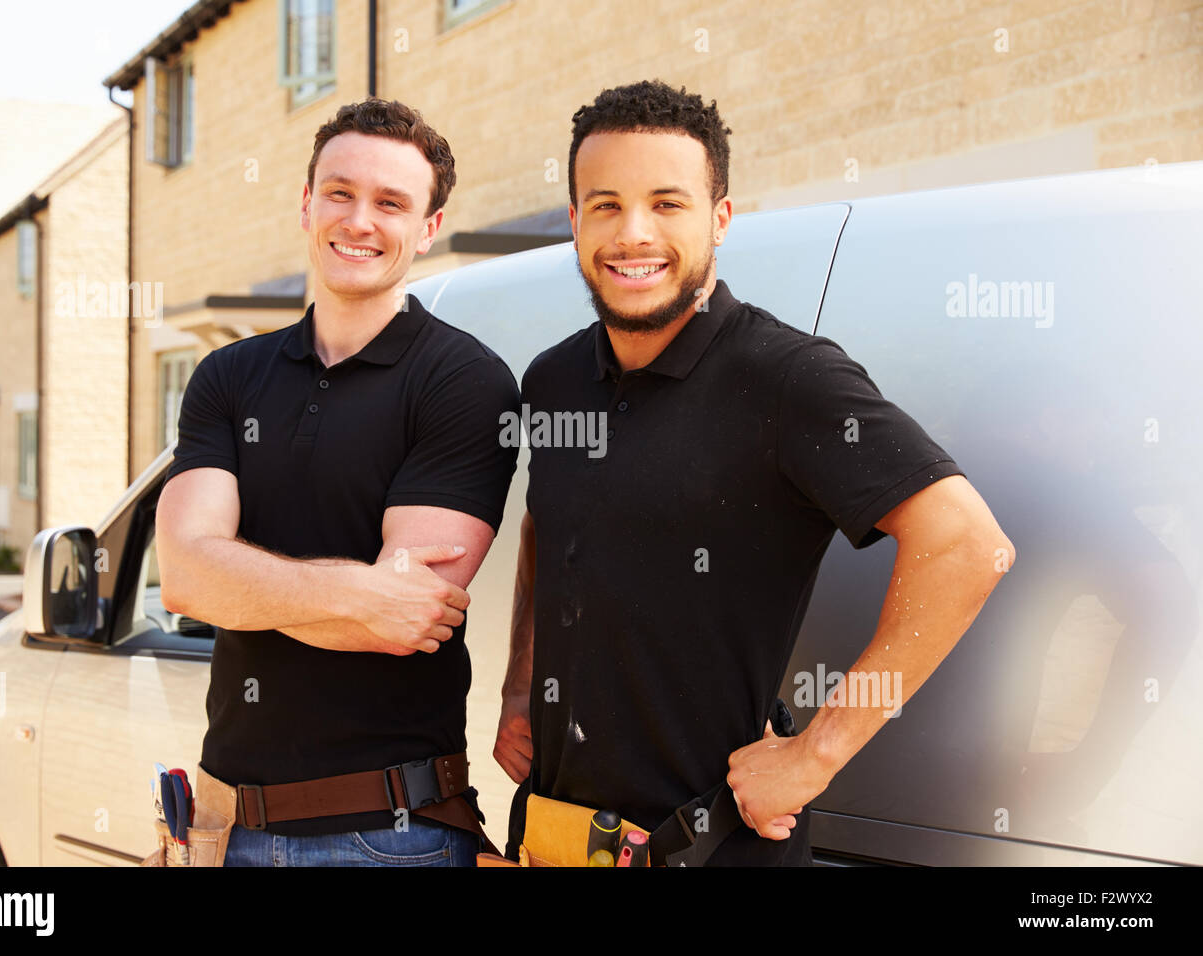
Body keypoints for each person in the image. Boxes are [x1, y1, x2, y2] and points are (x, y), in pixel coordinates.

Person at [493, 80, 1016, 865]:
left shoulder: (788, 379)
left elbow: (970, 546)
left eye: (667, 203)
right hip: (555, 835)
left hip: (713, 844)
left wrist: (816, 754)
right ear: (574, 223)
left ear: (721, 218)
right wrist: (517, 686)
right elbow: (547, 526)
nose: (633, 233)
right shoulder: (555, 378)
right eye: (605, 205)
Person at [156, 98, 519, 867]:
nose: (359, 220)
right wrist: (358, 588)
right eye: (340, 192)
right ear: (306, 203)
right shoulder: (228, 376)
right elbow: (184, 578)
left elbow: (401, 621)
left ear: (428, 228)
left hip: (389, 833)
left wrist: (242, 579)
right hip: (227, 831)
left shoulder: (464, 381)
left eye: (391, 203)